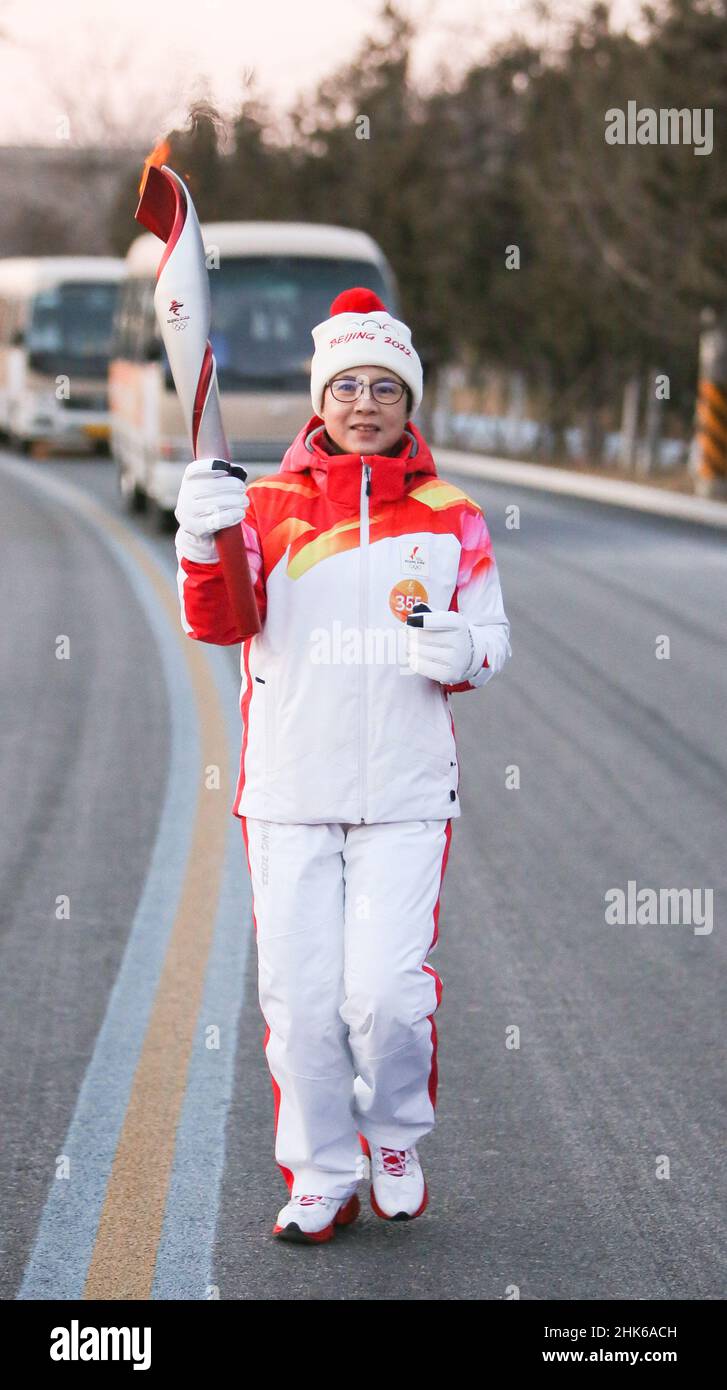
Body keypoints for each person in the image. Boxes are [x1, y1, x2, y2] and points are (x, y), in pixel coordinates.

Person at [173, 287, 511, 1244]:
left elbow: (490, 641)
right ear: (320, 400)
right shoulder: (263, 506)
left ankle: (393, 1138)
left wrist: (462, 650)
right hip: (290, 793)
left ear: (409, 403)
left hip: (406, 794)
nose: (365, 404)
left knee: (387, 999)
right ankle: (322, 1175)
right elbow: (218, 622)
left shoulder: (452, 516)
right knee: (302, 1005)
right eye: (347, 387)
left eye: (385, 389)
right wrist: (201, 537)